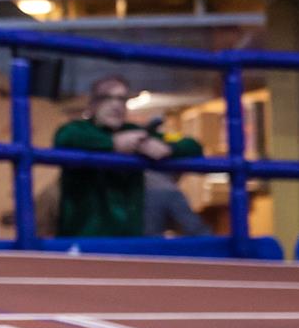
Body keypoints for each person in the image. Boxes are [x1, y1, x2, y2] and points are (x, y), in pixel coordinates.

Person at [54, 76, 202, 237]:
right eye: (106, 98)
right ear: (93, 104)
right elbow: (64, 138)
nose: (115, 104)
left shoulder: (136, 133)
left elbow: (192, 146)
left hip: (128, 240)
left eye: (121, 99)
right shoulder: (78, 129)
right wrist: (112, 143)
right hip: (84, 240)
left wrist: (168, 148)